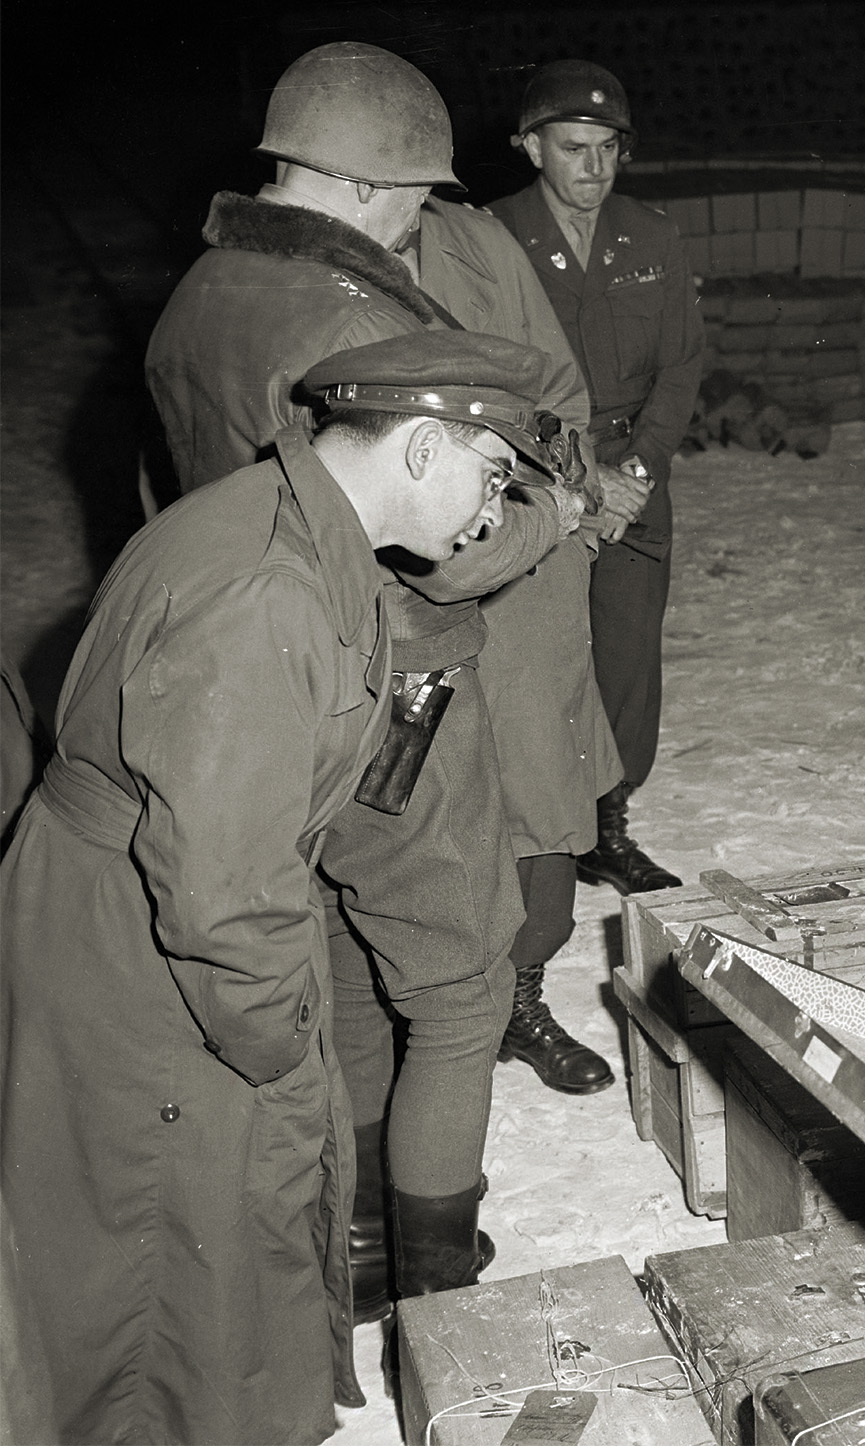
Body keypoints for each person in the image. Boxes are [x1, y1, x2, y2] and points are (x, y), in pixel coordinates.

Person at [0, 331, 533, 1444]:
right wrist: (282, 1046)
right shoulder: (268, 594)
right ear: (426, 447)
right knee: (167, 1260)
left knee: (162, 1257)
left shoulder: (279, 524)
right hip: (145, 963)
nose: (492, 519)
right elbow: (218, 893)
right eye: (493, 478)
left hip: (130, 918)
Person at [143, 41, 583, 1325]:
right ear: (351, 180)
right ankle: (441, 1279)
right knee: (457, 983)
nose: (416, 218)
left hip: (259, 692)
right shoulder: (361, 325)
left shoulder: (194, 299)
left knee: (342, 962)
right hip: (395, 695)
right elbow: (454, 553)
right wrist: (549, 513)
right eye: (407, 193)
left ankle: (357, 1248)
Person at [406, 194, 642, 1098]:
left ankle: (523, 1000)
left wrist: (565, 501)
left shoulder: (472, 240)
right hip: (389, 576)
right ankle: (443, 1009)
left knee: (540, 780)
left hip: (521, 554)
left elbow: (557, 396)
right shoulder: (308, 283)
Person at [490, 59, 707, 895]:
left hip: (634, 474)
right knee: (536, 657)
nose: (594, 168)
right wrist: (583, 483)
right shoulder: (491, 237)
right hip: (533, 476)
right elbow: (503, 380)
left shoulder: (650, 236)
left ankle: (607, 828)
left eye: (608, 149)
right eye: (574, 148)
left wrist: (638, 472)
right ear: (530, 147)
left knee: (624, 656)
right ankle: (538, 832)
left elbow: (682, 367)